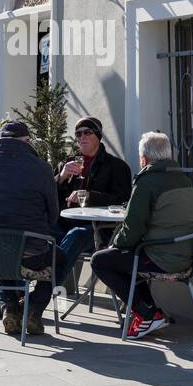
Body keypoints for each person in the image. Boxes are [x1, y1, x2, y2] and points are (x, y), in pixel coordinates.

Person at [91, 131, 193, 340]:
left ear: (144, 158)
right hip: (187, 257)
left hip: (162, 258)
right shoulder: (183, 179)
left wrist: (115, 245)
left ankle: (147, 313)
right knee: (124, 259)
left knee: (101, 260)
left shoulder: (147, 181)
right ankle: (151, 311)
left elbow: (133, 227)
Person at [0, 121, 65, 337]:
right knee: (60, 257)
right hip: (31, 253)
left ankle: (10, 309)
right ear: (27, 141)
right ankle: (33, 309)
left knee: (3, 248)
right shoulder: (41, 168)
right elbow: (53, 216)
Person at [54, 116, 134, 277]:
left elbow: (123, 200)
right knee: (36, 229)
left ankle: (47, 286)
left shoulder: (116, 166)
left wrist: (88, 196)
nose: (82, 137)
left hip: (99, 228)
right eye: (78, 134)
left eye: (87, 132)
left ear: (98, 135)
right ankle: (17, 290)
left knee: (76, 235)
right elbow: (47, 195)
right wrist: (61, 177)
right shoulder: (67, 164)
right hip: (66, 224)